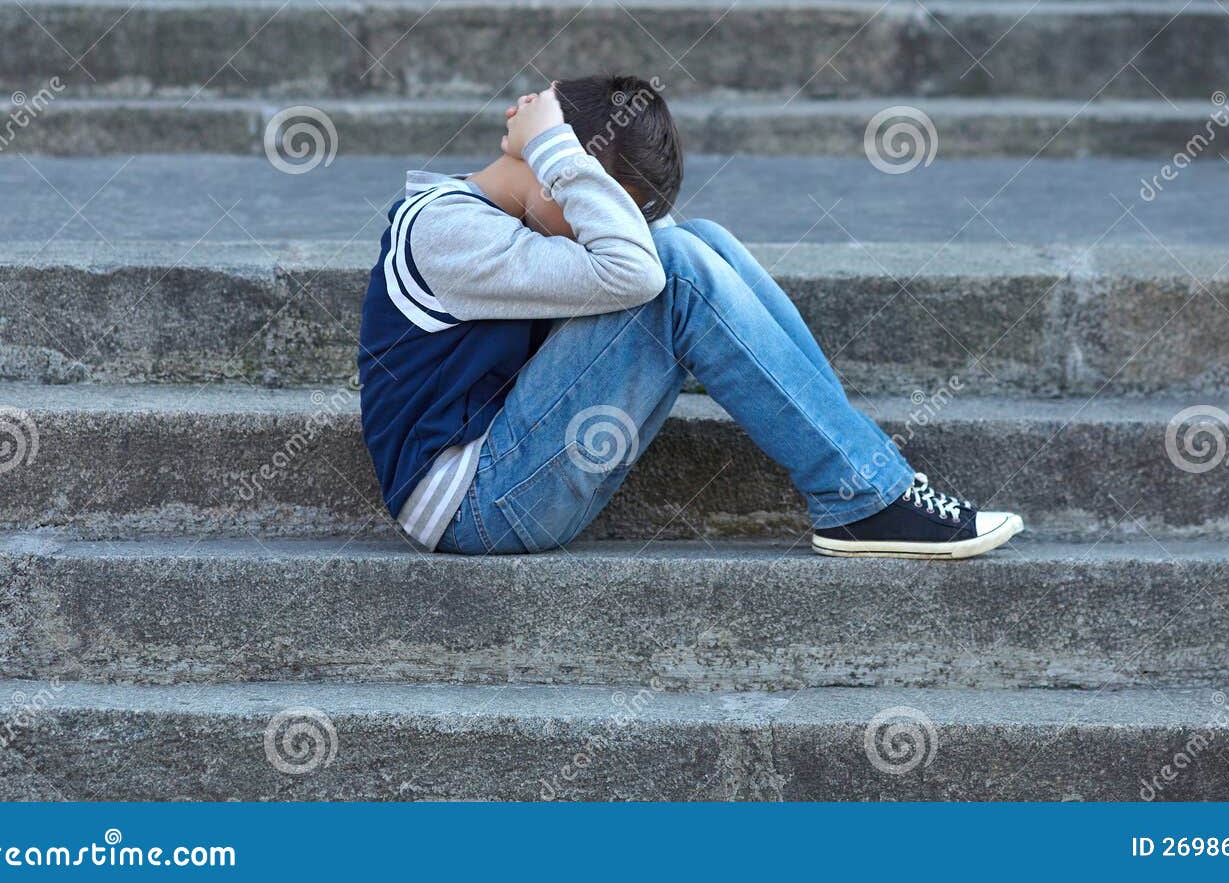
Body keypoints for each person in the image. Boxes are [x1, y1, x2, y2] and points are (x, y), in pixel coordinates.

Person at [357, 74, 1023, 559]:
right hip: (473, 505)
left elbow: (653, 245)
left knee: (701, 239)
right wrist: (559, 151)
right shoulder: (444, 230)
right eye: (593, 199)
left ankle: (866, 472)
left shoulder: (502, 221)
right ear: (555, 172)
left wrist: (565, 152)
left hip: (513, 469)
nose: (603, 225)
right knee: (673, 266)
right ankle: (863, 496)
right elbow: (643, 271)